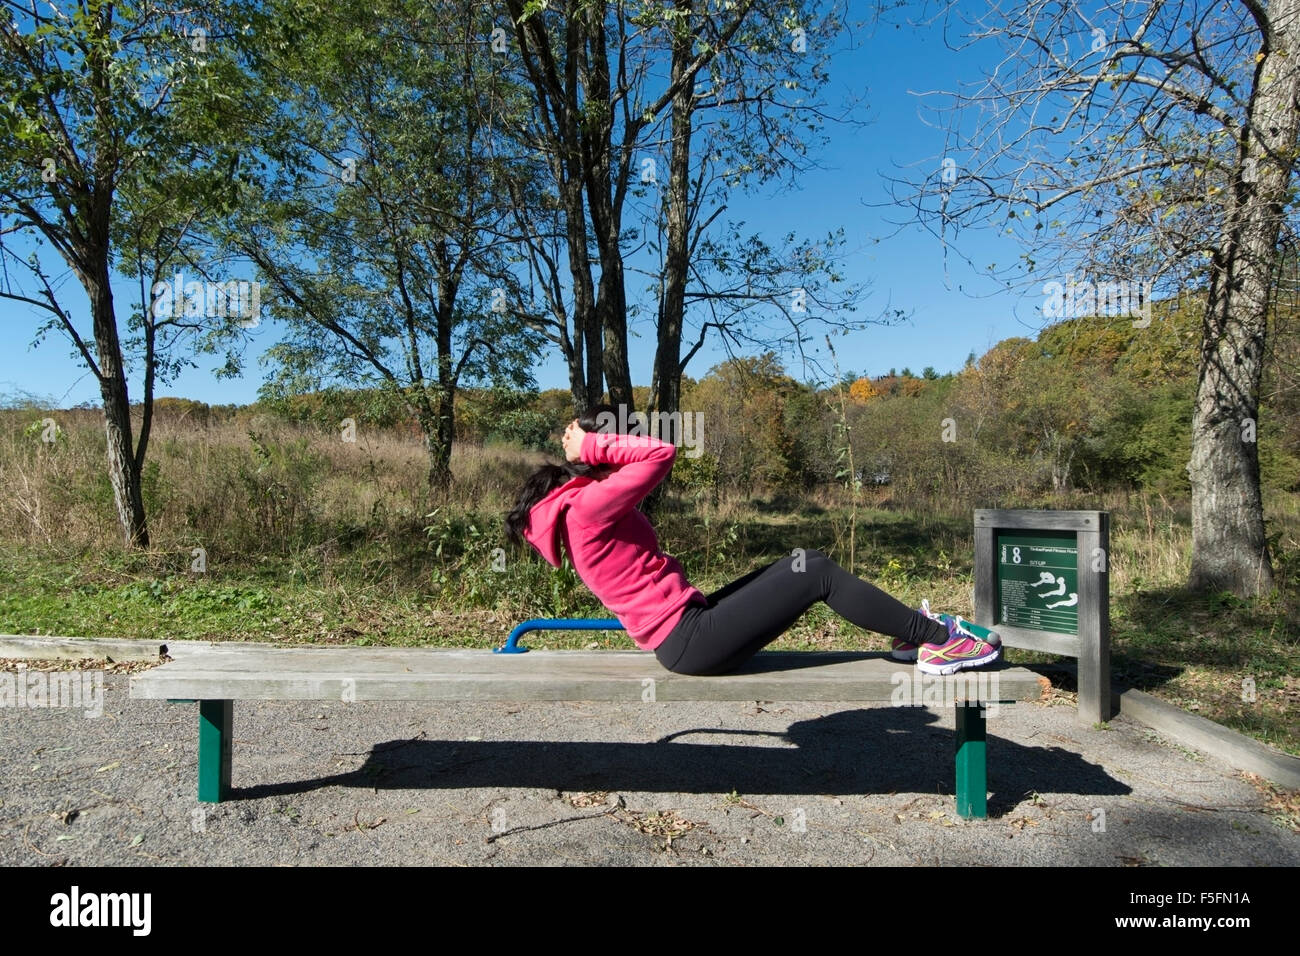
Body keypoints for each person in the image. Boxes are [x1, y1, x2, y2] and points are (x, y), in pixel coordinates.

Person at [505, 404, 1001, 677]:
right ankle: (940, 642)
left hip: (690, 628)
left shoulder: (582, 508)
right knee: (819, 572)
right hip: (689, 642)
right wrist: (592, 440)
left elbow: (640, 461)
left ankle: (913, 633)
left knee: (804, 562)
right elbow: (659, 453)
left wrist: (597, 442)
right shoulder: (588, 507)